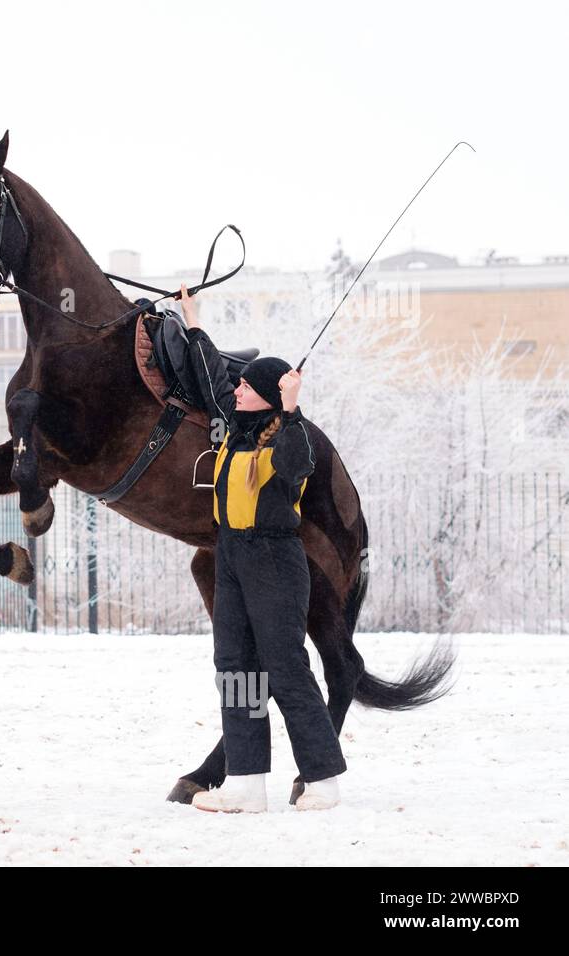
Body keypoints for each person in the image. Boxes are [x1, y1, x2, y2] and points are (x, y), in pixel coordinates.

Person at [174, 283, 346, 813]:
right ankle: (246, 782)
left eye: (248, 385)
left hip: (274, 560)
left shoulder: (287, 438)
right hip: (231, 558)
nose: (239, 388)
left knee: (286, 666)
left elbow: (298, 465)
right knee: (236, 667)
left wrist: (293, 410)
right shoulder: (235, 425)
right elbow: (209, 373)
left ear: (271, 395)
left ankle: (322, 780)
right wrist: (192, 319)